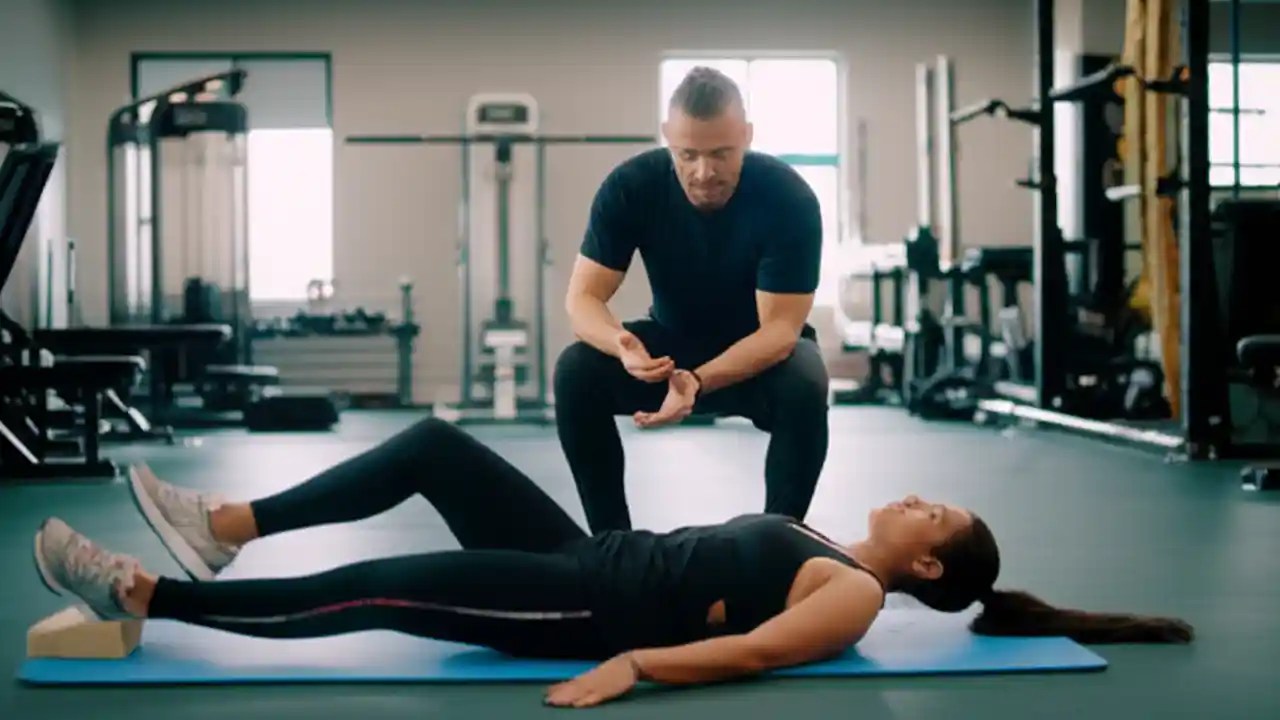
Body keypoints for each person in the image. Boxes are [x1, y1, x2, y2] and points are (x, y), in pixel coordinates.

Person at [34, 418, 1191, 708]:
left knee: (382, 588)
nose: (910, 496)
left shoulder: (847, 594)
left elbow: (749, 651)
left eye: (929, 509)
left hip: (581, 605)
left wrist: (633, 668)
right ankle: (227, 525)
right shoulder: (830, 543)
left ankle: (142, 591)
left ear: (928, 568)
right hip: (593, 554)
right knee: (436, 448)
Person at [555, 65, 830, 534]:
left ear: (746, 135)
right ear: (667, 138)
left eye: (722, 153)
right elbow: (582, 299)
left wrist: (696, 382)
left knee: (806, 381)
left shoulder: (787, 198)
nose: (704, 172)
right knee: (576, 371)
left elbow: (780, 332)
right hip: (669, 346)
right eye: (688, 154)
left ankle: (780, 545)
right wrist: (619, 343)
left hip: (758, 358)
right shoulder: (631, 187)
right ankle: (612, 548)